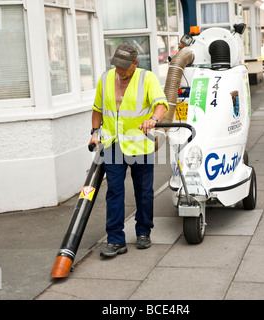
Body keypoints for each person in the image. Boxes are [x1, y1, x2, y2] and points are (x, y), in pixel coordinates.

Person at [89, 43, 169, 257]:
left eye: (125, 66)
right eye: (117, 65)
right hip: (113, 144)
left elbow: (161, 104)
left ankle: (143, 232)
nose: (120, 70)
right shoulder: (106, 79)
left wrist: (153, 119)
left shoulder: (147, 78)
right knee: (114, 191)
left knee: (143, 191)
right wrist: (95, 132)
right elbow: (97, 109)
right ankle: (115, 240)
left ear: (135, 63)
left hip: (139, 144)